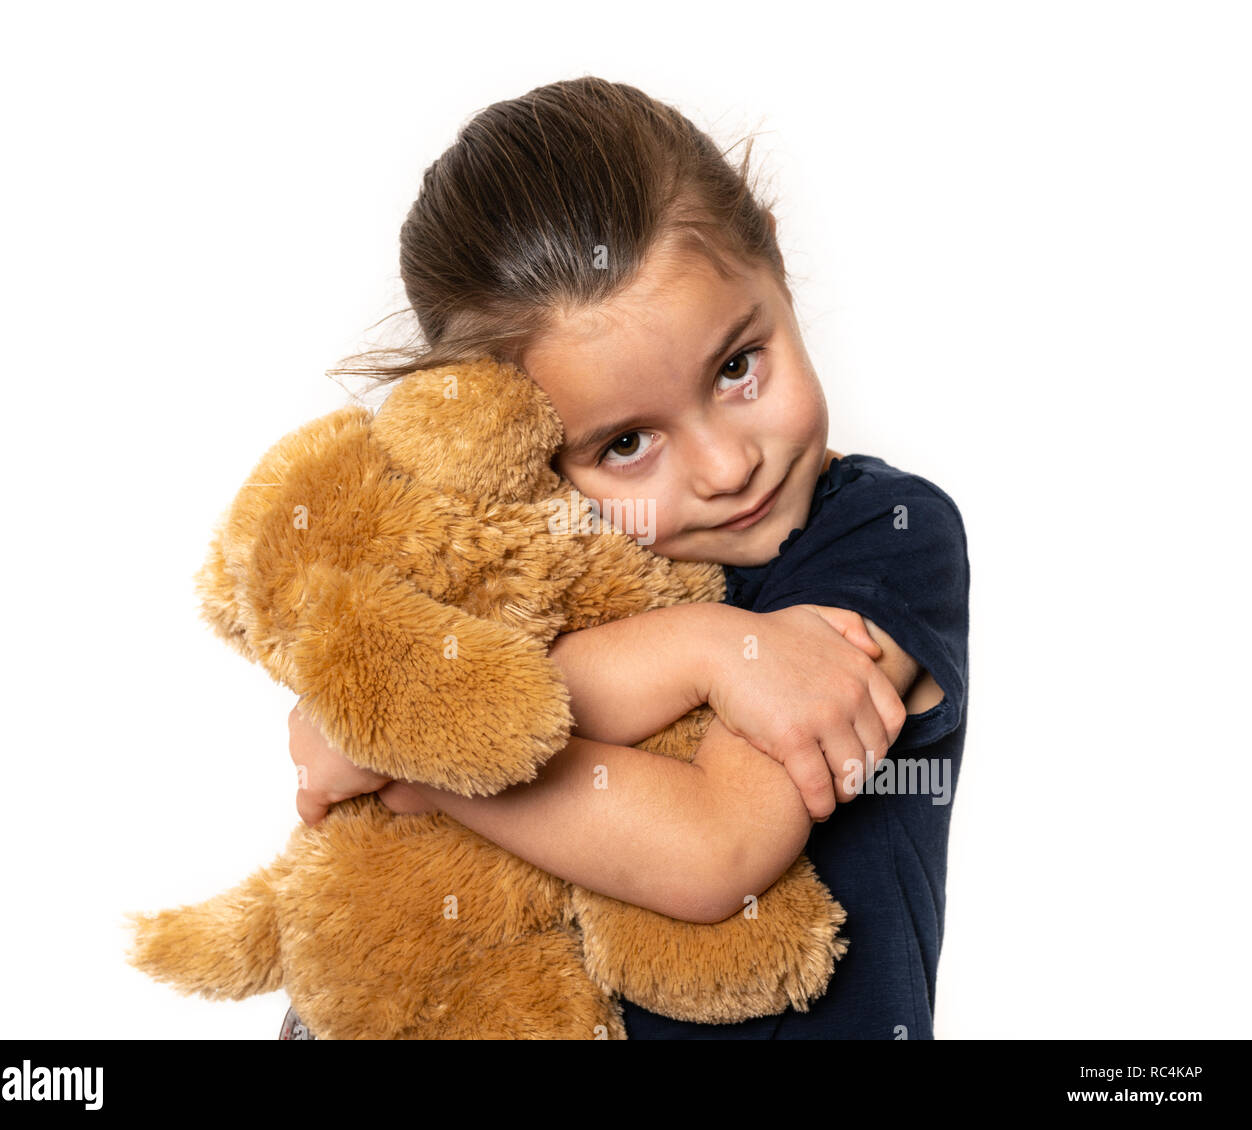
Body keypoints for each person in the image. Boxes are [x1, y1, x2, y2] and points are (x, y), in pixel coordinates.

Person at [286, 75, 970, 1039]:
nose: (728, 467)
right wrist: (705, 652)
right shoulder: (518, 575)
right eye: (625, 445)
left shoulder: (883, 540)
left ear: (771, 255)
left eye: (738, 367)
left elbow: (715, 846)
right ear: (508, 435)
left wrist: (410, 753)